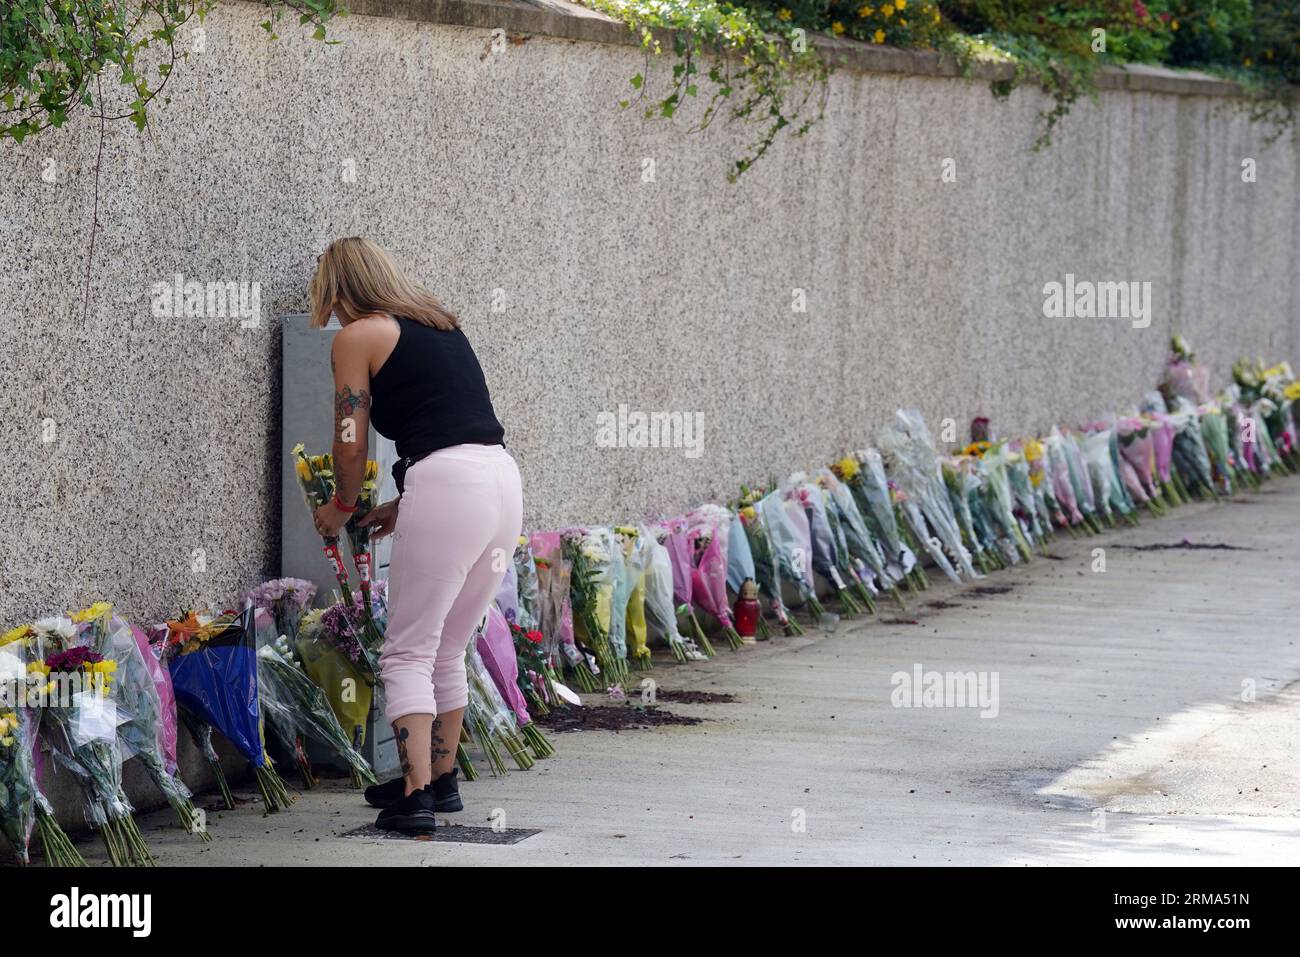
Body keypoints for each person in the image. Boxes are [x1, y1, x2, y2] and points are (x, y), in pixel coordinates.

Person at [308, 237, 522, 835]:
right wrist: (406, 506)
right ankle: (442, 780)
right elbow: (457, 423)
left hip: (448, 484)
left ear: (336, 288)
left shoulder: (358, 336)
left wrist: (343, 504)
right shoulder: (440, 324)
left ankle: (416, 795)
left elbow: (349, 437)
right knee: (448, 645)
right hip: (501, 481)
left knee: (406, 650)